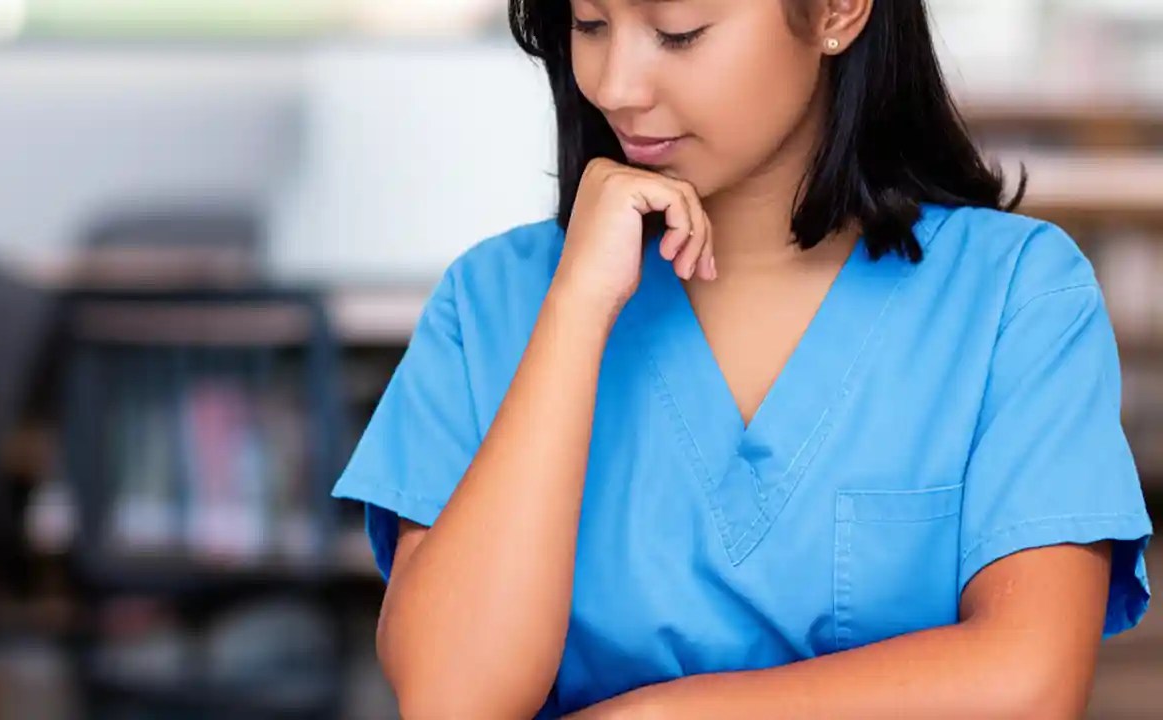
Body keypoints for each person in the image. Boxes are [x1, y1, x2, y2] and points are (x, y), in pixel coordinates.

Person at [331, 0, 1154, 717]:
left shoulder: (1016, 292)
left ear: (836, 10)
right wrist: (576, 311)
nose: (617, 84)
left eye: (679, 33)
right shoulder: (493, 302)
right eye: (589, 24)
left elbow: (1027, 683)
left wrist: (656, 719)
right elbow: (452, 699)